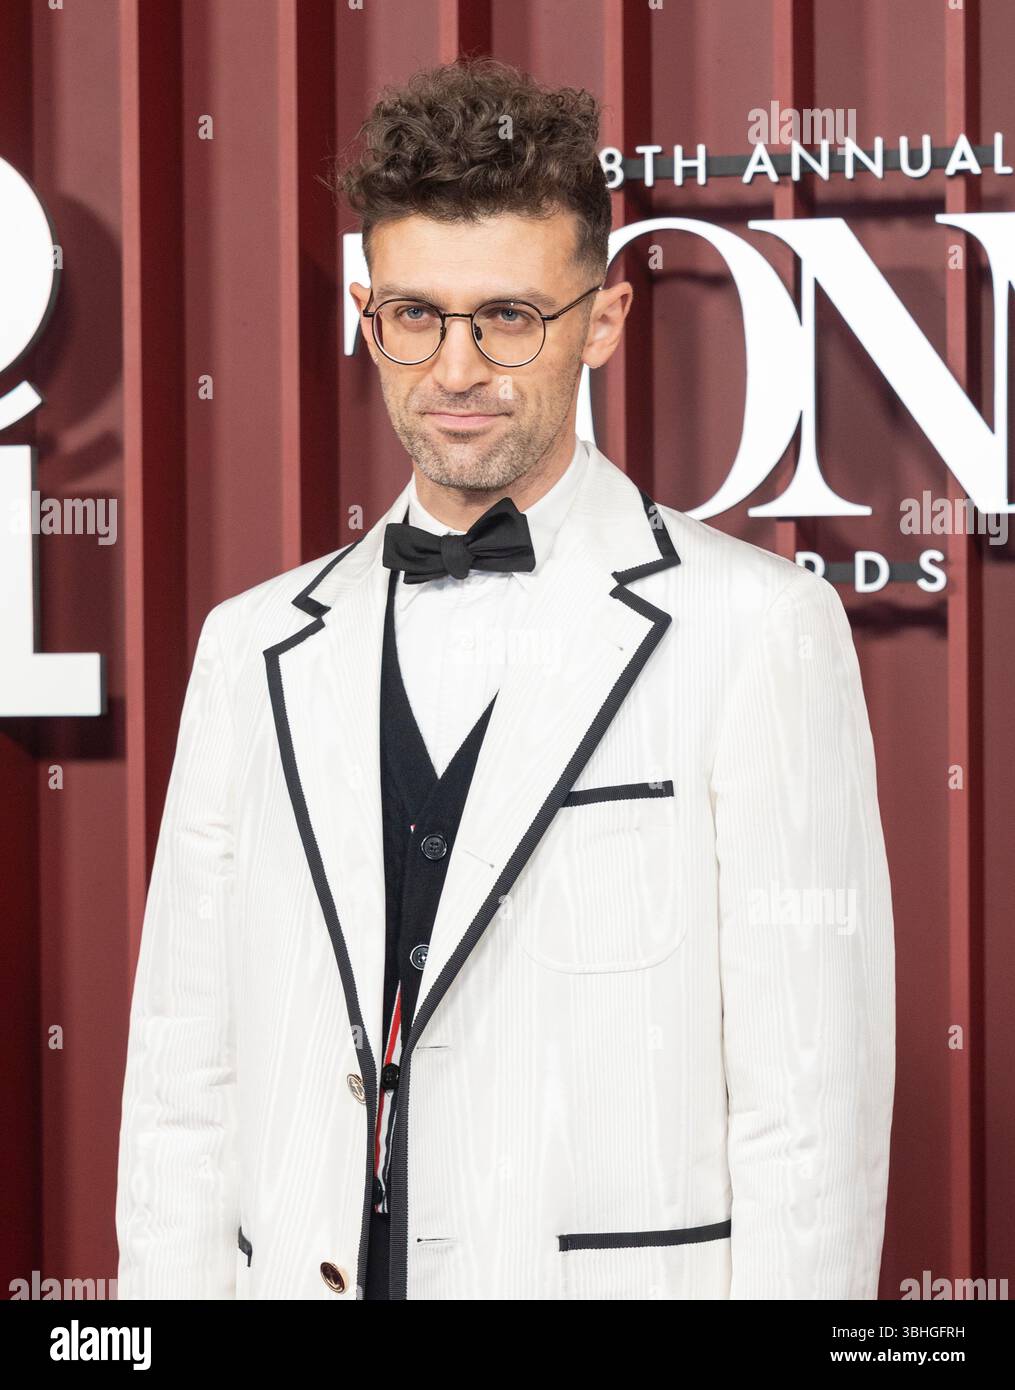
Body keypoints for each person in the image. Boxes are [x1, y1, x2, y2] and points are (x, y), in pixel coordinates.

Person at [115, 56, 895, 1301]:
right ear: (370, 314)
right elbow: (180, 1088)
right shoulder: (248, 644)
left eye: (509, 317)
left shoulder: (762, 631)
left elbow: (812, 1120)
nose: (457, 369)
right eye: (416, 314)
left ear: (603, 319)